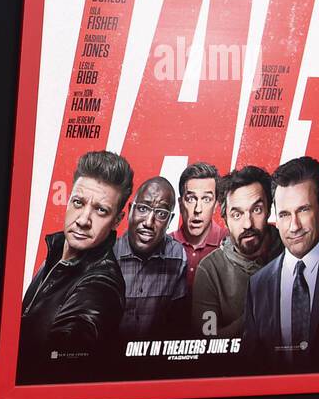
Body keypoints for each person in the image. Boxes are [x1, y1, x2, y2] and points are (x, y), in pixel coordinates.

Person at [19, 150, 131, 370]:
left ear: (117, 220)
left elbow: (62, 365)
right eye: (78, 202)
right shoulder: (58, 249)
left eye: (100, 210)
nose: (83, 220)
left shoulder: (100, 287)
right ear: (68, 200)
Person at [242, 157, 319, 369]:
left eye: (303, 210)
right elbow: (251, 367)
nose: (294, 226)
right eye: (284, 214)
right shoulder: (257, 285)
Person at [190, 166, 281, 338]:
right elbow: (207, 341)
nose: (248, 224)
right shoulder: (210, 270)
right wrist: (256, 313)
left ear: (269, 209)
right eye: (237, 214)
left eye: (256, 210)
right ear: (225, 220)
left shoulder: (293, 251)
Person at [115, 176, 187, 340]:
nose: (148, 222)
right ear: (130, 210)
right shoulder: (109, 254)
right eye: (142, 209)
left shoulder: (177, 256)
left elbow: (177, 324)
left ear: (170, 220)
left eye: (161, 213)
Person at [173, 161, 227, 288]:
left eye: (206, 199)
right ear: (180, 204)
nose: (198, 209)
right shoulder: (164, 244)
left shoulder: (231, 242)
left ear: (215, 206)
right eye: (191, 199)